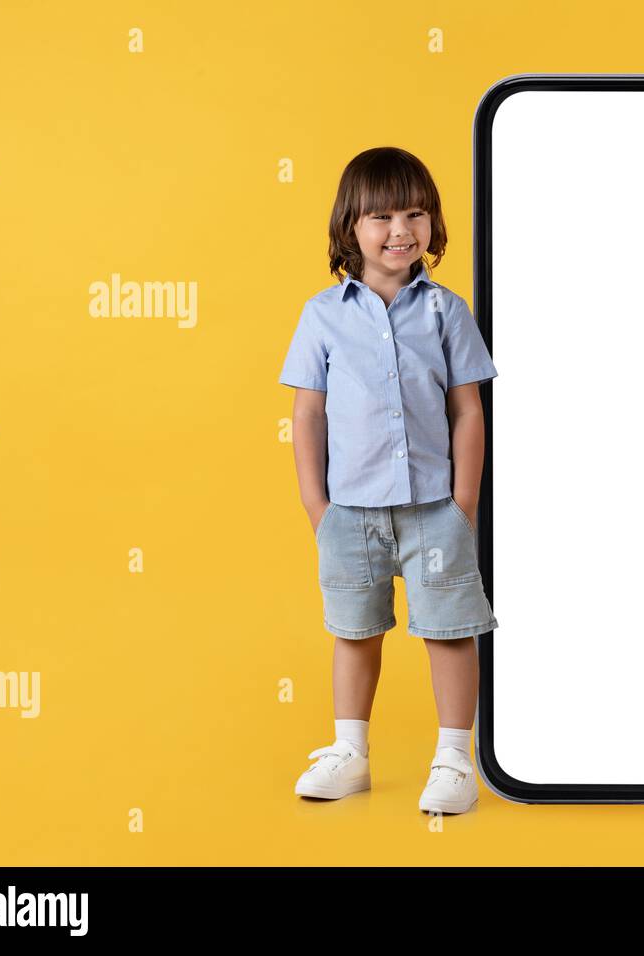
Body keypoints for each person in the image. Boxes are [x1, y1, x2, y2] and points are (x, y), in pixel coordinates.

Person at [278, 146, 498, 814]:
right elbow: (308, 413)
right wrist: (319, 506)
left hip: (435, 508)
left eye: (416, 213)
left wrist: (463, 504)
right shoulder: (323, 315)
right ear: (351, 228)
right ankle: (351, 753)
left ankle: (454, 761)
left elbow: (467, 409)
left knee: (449, 629)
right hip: (351, 511)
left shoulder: (447, 311)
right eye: (382, 216)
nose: (402, 229)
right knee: (353, 629)